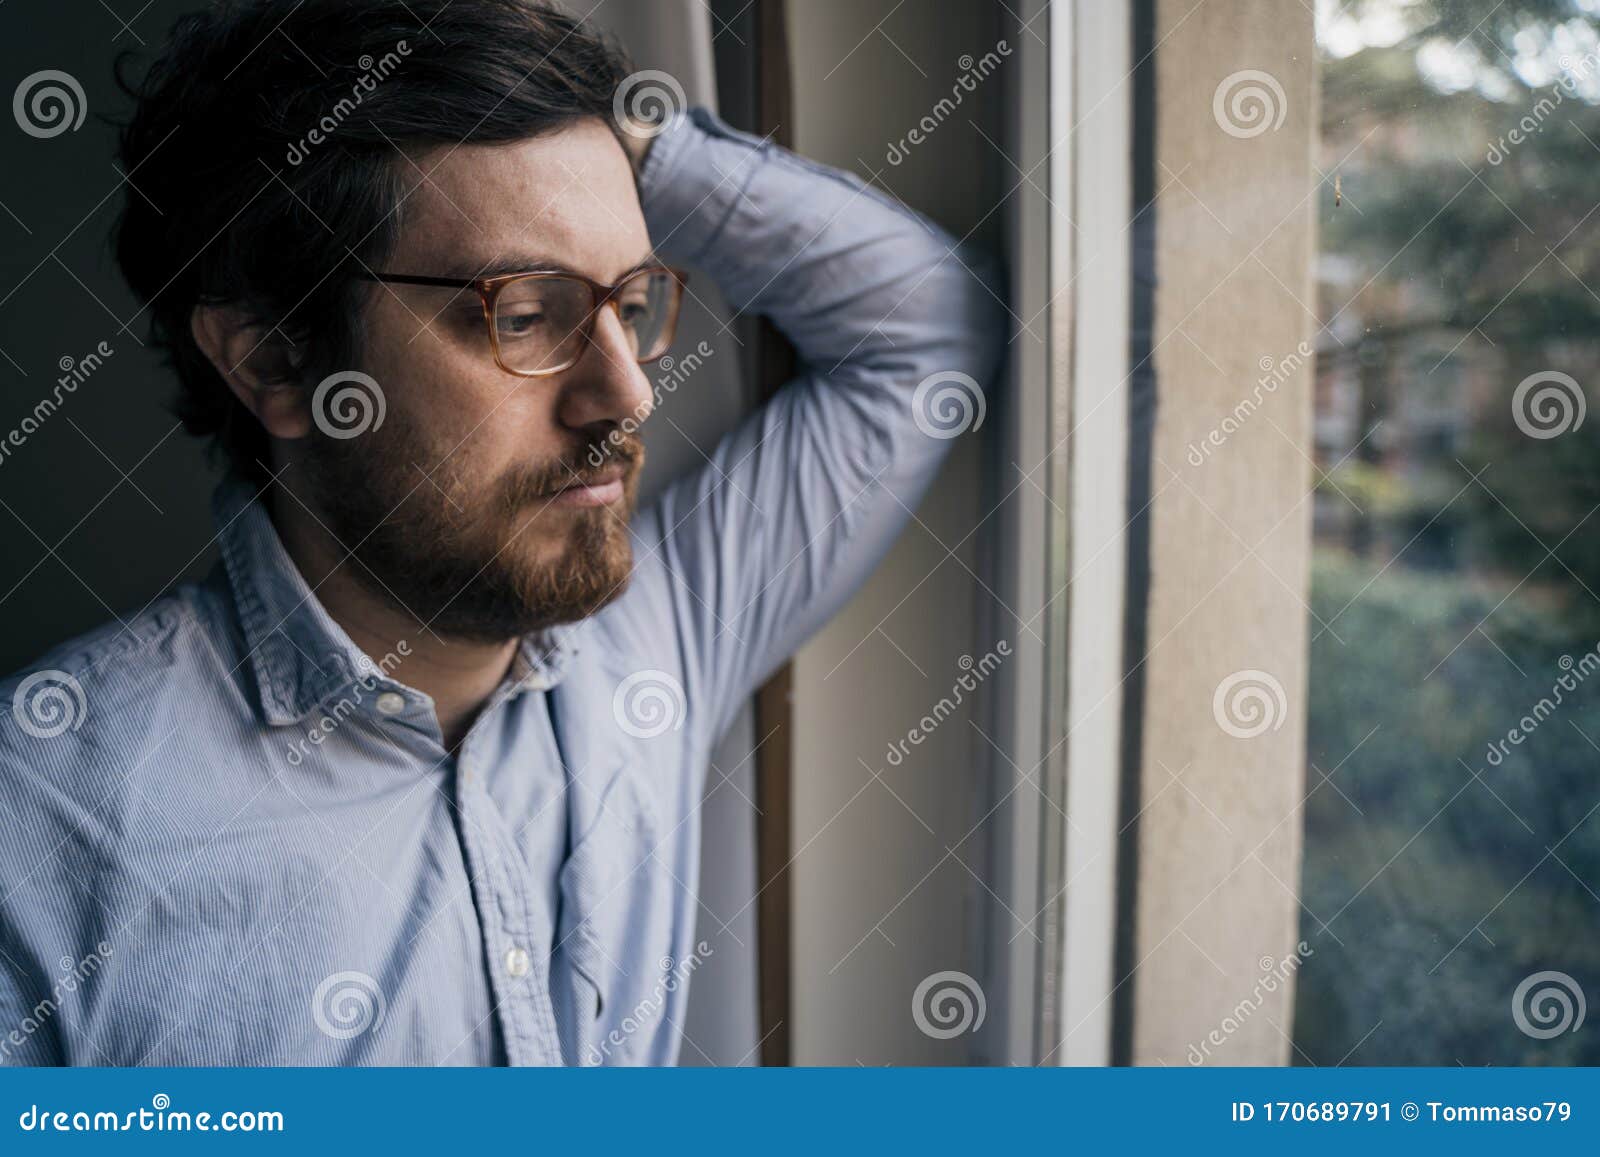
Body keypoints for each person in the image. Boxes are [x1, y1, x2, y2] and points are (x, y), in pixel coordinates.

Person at [0, 0, 1004, 1065]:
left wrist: (616, 148)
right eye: (523, 314)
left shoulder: (651, 644)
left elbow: (928, 330)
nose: (628, 395)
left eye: (630, 304)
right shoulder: (41, 819)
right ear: (276, 359)